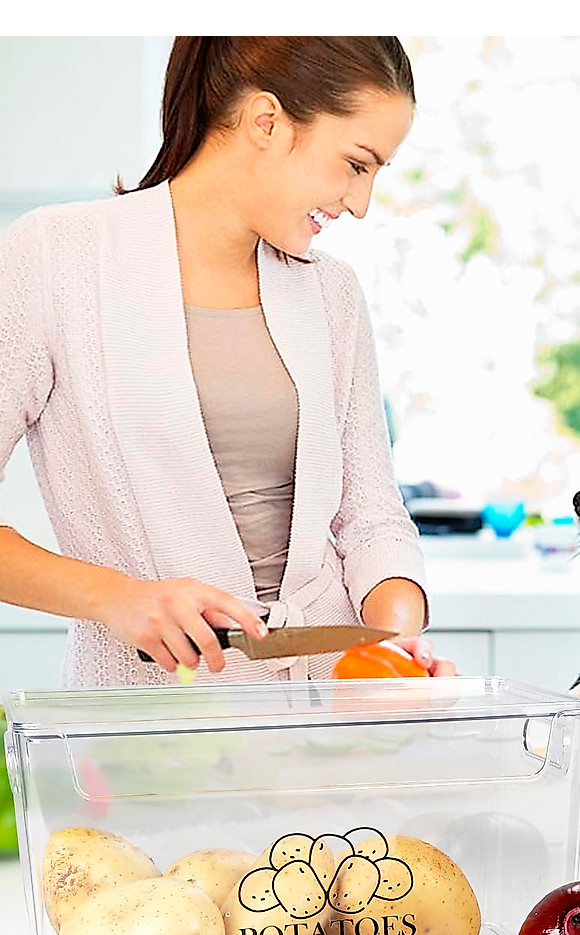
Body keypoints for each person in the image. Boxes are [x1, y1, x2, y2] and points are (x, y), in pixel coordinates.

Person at [0, 36, 455, 687]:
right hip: (154, 716)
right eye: (356, 164)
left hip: (337, 704)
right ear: (266, 122)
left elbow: (371, 515)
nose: (361, 204)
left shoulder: (331, 292)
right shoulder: (54, 258)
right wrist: (117, 598)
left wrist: (395, 645)